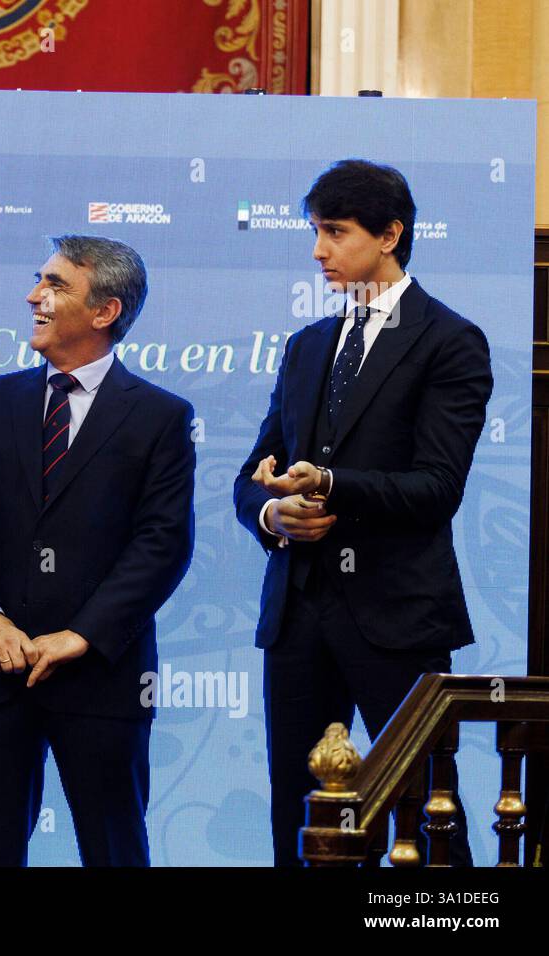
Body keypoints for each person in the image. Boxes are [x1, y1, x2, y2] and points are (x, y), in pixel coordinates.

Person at [234, 159, 491, 866]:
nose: (318, 250)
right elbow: (251, 476)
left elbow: (437, 487)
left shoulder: (449, 341)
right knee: (298, 813)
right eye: (316, 231)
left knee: (426, 812)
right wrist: (272, 516)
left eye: (335, 232)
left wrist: (331, 484)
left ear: (390, 234)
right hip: (298, 613)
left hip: (398, 616)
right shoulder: (308, 346)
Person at [0, 235, 195, 866]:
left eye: (54, 285)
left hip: (101, 673)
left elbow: (162, 545)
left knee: (115, 850)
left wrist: (80, 636)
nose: (33, 296)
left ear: (104, 312)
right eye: (37, 281)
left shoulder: (160, 416)